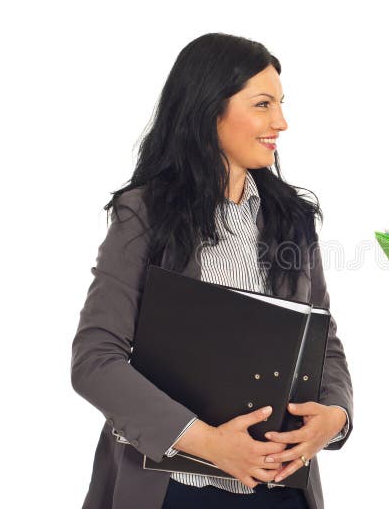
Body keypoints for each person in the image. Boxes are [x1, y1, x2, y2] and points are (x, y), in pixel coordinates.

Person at [71, 33, 353, 509]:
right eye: (262, 105)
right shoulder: (144, 214)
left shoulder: (293, 219)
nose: (281, 122)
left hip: (278, 489)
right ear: (208, 110)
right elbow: (96, 360)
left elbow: (323, 344)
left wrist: (335, 416)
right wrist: (208, 443)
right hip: (176, 489)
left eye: (280, 104)